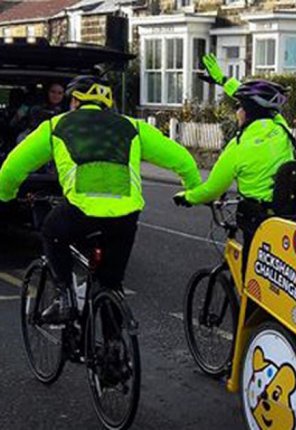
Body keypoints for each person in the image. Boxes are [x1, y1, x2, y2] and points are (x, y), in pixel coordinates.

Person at [0, 75, 202, 323]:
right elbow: (183, 160)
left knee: (52, 231)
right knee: (110, 284)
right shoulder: (133, 127)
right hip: (125, 216)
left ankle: (64, 298)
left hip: (80, 212)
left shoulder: (56, 126)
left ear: (74, 100)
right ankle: (115, 349)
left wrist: (6, 196)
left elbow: (11, 169)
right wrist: (191, 190)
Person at [174, 53, 296, 270]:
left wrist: (187, 197)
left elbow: (212, 190)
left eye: (239, 107)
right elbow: (262, 105)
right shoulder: (281, 129)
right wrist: (224, 81)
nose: (237, 112)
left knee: (252, 273)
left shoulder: (238, 146)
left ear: (248, 112)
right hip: (287, 214)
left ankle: (248, 300)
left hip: (257, 218)